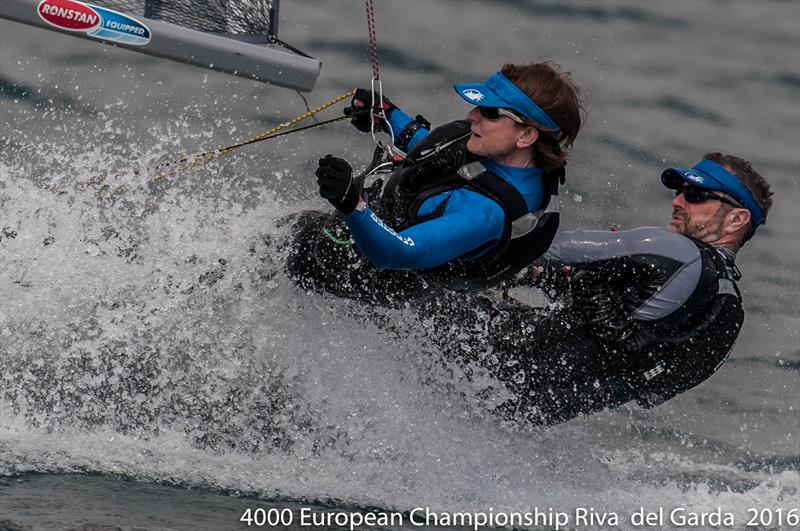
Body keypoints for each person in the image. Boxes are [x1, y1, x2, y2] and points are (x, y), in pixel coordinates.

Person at [418, 152, 773, 425]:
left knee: (404, 289)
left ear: (737, 219)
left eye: (695, 195)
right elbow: (628, 352)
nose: (678, 201)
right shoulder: (726, 311)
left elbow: (539, 245)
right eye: (680, 191)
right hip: (524, 411)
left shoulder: (673, 249)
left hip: (493, 363)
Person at [286, 62, 584, 305]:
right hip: (381, 228)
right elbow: (437, 151)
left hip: (367, 269)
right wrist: (386, 116)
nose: (472, 115)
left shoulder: (484, 213)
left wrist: (351, 203)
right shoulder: (509, 156)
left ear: (526, 136)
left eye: (490, 113)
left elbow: (396, 252)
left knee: (271, 246)